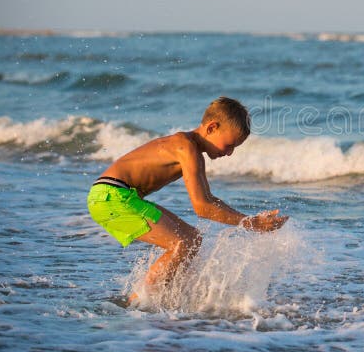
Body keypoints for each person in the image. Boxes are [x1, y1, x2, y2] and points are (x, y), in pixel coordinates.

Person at [87, 97, 288, 299]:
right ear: (211, 127)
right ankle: (138, 303)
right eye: (229, 145)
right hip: (111, 196)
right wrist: (250, 223)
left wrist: (248, 219)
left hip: (117, 195)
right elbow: (202, 208)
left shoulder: (191, 149)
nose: (229, 153)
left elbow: (209, 199)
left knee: (192, 239)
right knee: (181, 244)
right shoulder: (186, 148)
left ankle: (166, 299)